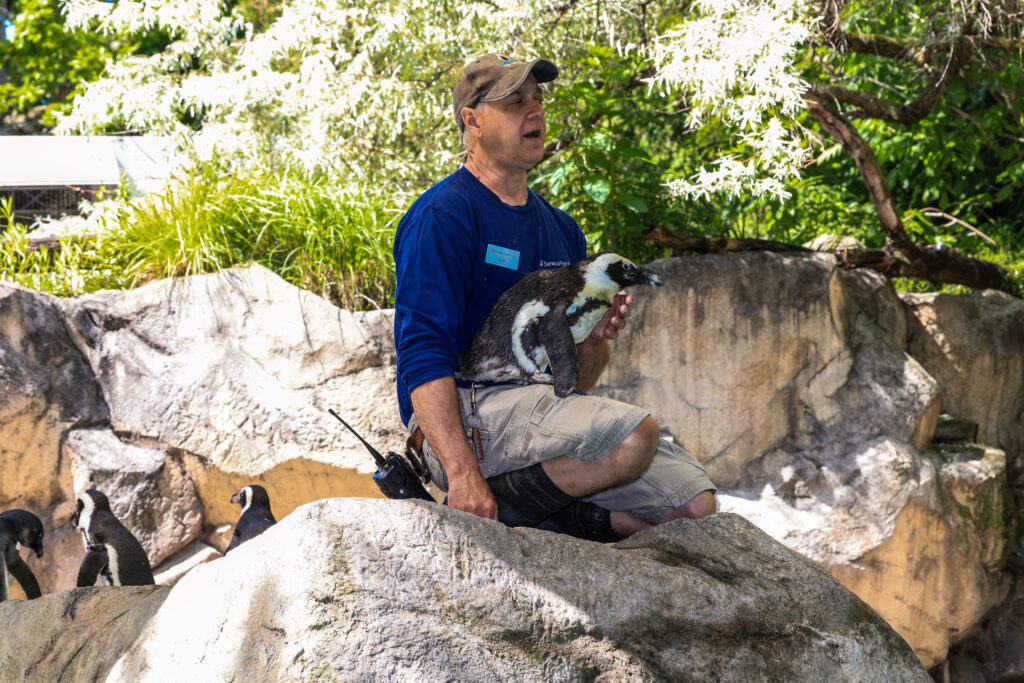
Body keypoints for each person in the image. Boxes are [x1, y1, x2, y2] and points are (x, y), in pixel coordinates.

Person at [393, 53, 715, 539]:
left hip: (538, 410)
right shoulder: (444, 215)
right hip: (465, 413)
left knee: (696, 509)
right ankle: (505, 502)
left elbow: (574, 381)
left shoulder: (561, 230)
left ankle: (560, 515)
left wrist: (594, 332)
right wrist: (462, 473)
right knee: (632, 438)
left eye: (539, 99)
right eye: (515, 101)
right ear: (472, 121)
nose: (536, 111)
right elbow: (420, 353)